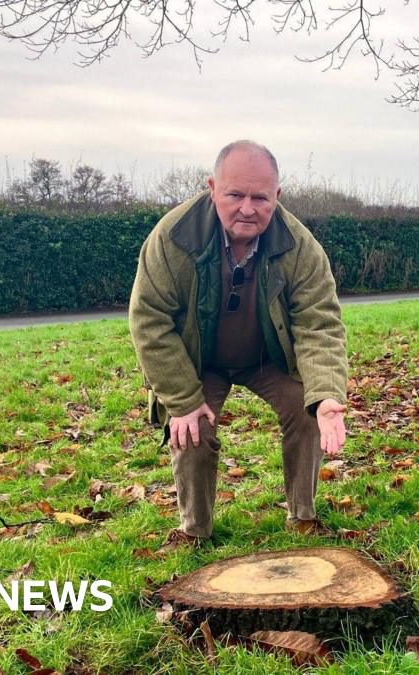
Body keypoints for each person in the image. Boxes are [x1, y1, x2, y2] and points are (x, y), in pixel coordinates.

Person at [128, 140, 347, 551]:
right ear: (212, 188)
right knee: (191, 428)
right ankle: (195, 531)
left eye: (260, 197)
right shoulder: (173, 239)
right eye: (235, 195)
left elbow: (320, 321)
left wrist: (325, 395)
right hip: (200, 360)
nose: (248, 208)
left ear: (276, 197)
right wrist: (182, 399)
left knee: (307, 413)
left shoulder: (299, 246)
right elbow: (149, 321)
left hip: (267, 357)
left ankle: (303, 517)